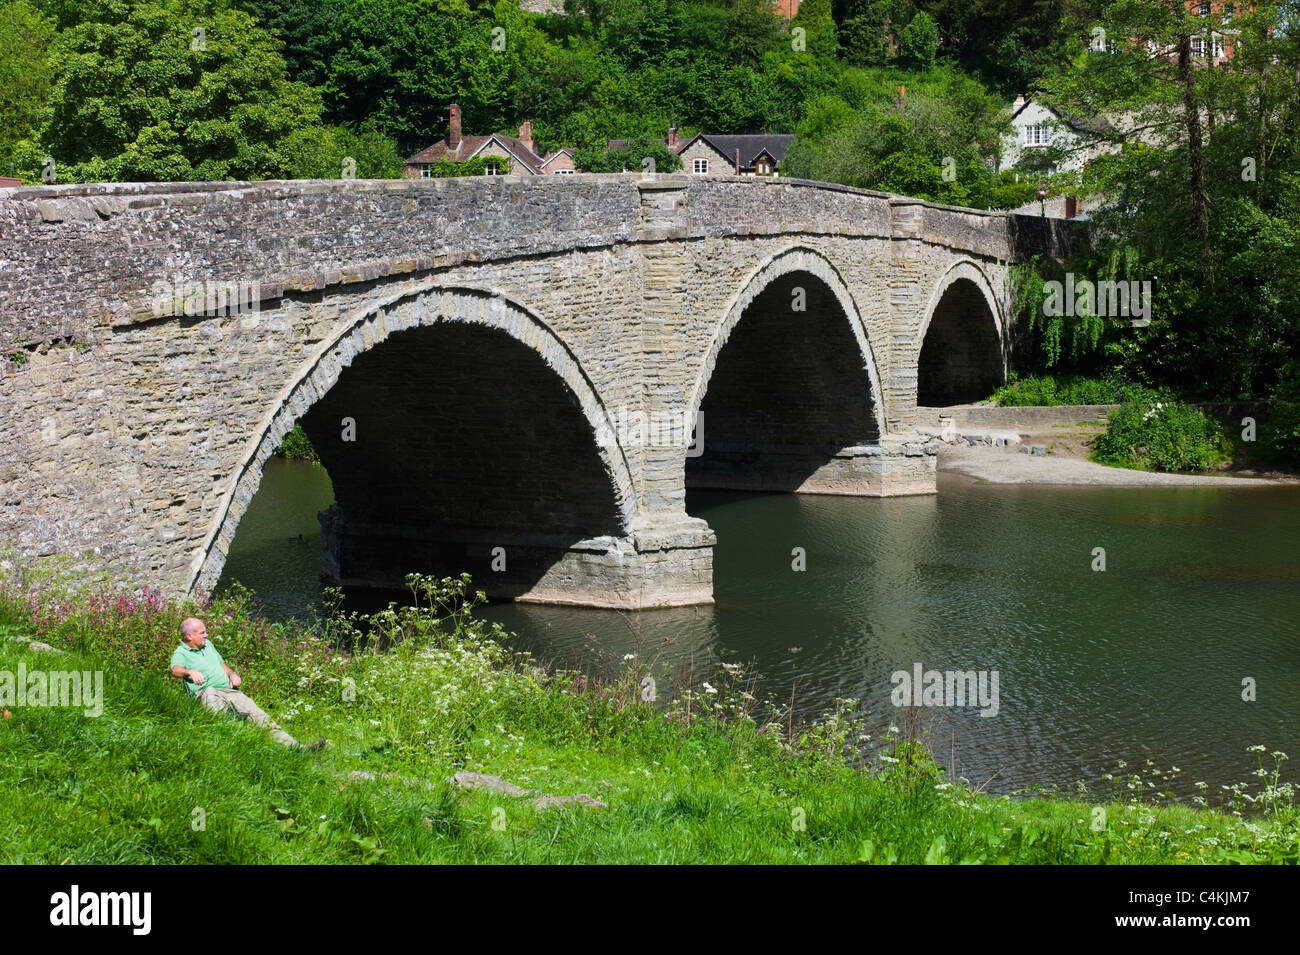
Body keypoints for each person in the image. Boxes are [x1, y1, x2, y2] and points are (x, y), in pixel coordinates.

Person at [169, 618, 324, 751]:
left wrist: (232, 674)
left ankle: (296, 748)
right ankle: (229, 744)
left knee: (258, 714)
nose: (206, 635)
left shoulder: (208, 645)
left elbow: (222, 665)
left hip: (229, 690)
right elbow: (175, 670)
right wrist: (189, 672)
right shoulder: (180, 653)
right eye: (202, 633)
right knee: (211, 696)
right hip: (205, 693)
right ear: (189, 636)